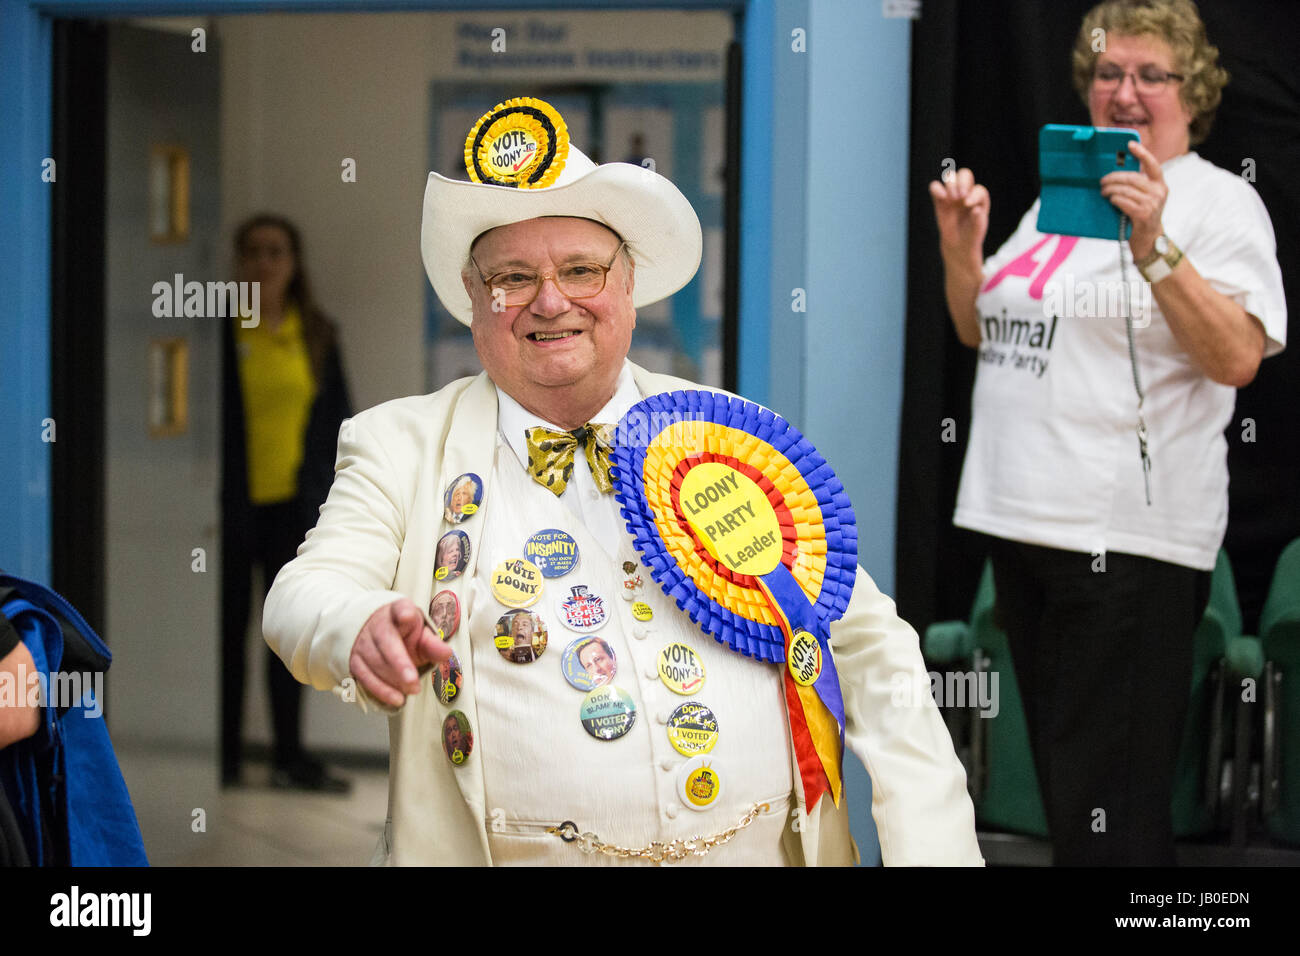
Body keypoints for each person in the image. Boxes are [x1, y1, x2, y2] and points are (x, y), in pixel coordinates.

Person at [265, 97, 982, 865]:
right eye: (513, 277)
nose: (550, 301)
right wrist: (361, 625)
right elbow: (304, 593)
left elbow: (870, 646)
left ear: (629, 286)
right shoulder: (399, 445)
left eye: (581, 269)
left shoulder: (726, 433)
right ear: (475, 300)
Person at [928, 0, 1286, 865]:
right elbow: (985, 333)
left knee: (1111, 815)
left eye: (1149, 75)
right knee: (1066, 800)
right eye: (1107, 73)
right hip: (1025, 525)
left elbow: (1237, 356)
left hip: (1125, 542)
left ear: (1191, 95)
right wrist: (962, 252)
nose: (1124, 92)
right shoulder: (1060, 199)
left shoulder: (1218, 201)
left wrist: (1156, 244)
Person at [221, 213, 354, 792]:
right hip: (227, 512)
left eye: (276, 251)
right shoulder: (220, 332)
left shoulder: (318, 332)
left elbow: (341, 425)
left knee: (286, 633)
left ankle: (288, 758)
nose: (264, 262)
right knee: (223, 635)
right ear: (238, 261)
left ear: (294, 263)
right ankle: (220, 758)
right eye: (252, 251)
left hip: (293, 512)